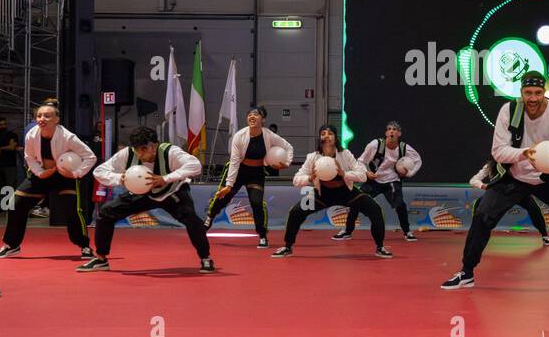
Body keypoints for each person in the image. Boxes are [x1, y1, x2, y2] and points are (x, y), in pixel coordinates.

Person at [443, 71, 549, 292]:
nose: (533, 98)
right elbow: (498, 152)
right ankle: (466, 272)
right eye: (528, 93)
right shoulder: (508, 111)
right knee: (483, 216)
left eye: (537, 93)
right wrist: (527, 153)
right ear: (521, 92)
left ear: (544, 92)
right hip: (514, 177)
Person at [84, 126, 214, 273]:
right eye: (137, 149)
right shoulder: (128, 154)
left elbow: (195, 166)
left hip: (172, 192)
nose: (140, 154)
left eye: (143, 149)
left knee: (192, 220)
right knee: (106, 212)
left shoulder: (169, 152)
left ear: (153, 145)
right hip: (142, 193)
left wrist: (165, 178)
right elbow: (99, 171)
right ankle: (101, 259)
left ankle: (205, 258)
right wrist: (119, 178)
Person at [0, 99, 96, 261]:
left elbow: (90, 157)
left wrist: (76, 174)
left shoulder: (68, 137)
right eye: (39, 116)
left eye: (47, 116)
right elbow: (29, 158)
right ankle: (12, 246)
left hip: (64, 177)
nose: (42, 119)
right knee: (14, 204)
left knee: (73, 211)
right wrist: (40, 173)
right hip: (40, 175)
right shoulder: (31, 135)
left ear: (56, 120)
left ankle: (85, 246)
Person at [273, 124, 392, 259]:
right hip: (322, 194)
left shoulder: (345, 154)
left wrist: (344, 173)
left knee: (375, 209)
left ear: (335, 138)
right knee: (295, 212)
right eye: (323, 133)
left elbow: (362, 175)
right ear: (320, 138)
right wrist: (310, 178)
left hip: (346, 192)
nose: (326, 136)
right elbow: (296, 180)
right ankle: (287, 246)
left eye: (330, 133)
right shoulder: (312, 157)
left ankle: (380, 247)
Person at [204, 105, 294, 248]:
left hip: (256, 173)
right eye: (250, 114)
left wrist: (286, 163)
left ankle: (262, 235)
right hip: (239, 169)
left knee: (257, 203)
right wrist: (229, 186)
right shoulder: (239, 136)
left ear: (263, 119)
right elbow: (234, 162)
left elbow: (288, 147)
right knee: (223, 197)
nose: (252, 117)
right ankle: (208, 219)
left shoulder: (269, 135)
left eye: (256, 114)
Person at [336, 120, 423, 242]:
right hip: (373, 181)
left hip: (392, 181)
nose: (391, 131)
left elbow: (418, 160)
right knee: (355, 202)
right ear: (386, 133)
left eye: (394, 129)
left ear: (399, 133)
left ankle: (407, 231)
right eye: (389, 129)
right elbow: (361, 161)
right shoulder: (375, 145)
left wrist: (410, 173)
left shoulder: (404, 148)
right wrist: (366, 172)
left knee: (400, 205)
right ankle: (347, 231)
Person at [469, 157, 549, 245]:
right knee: (479, 203)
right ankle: (476, 234)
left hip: (518, 192)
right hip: (500, 194)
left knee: (534, 209)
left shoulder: (516, 162)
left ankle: (545, 236)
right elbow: (473, 180)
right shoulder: (490, 165)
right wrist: (484, 186)